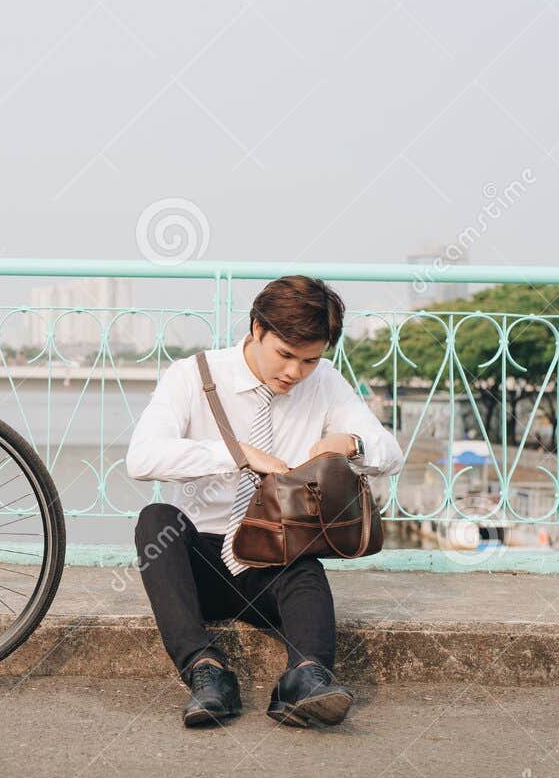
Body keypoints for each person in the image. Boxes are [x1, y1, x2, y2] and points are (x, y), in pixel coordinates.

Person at [125, 276, 404, 729]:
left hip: (274, 559)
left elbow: (389, 451)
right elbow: (142, 457)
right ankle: (206, 671)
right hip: (200, 566)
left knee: (305, 564)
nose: (295, 372)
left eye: (310, 359)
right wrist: (236, 454)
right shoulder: (192, 376)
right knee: (156, 520)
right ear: (256, 329)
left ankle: (306, 679)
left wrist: (350, 442)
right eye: (285, 354)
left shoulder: (326, 383)